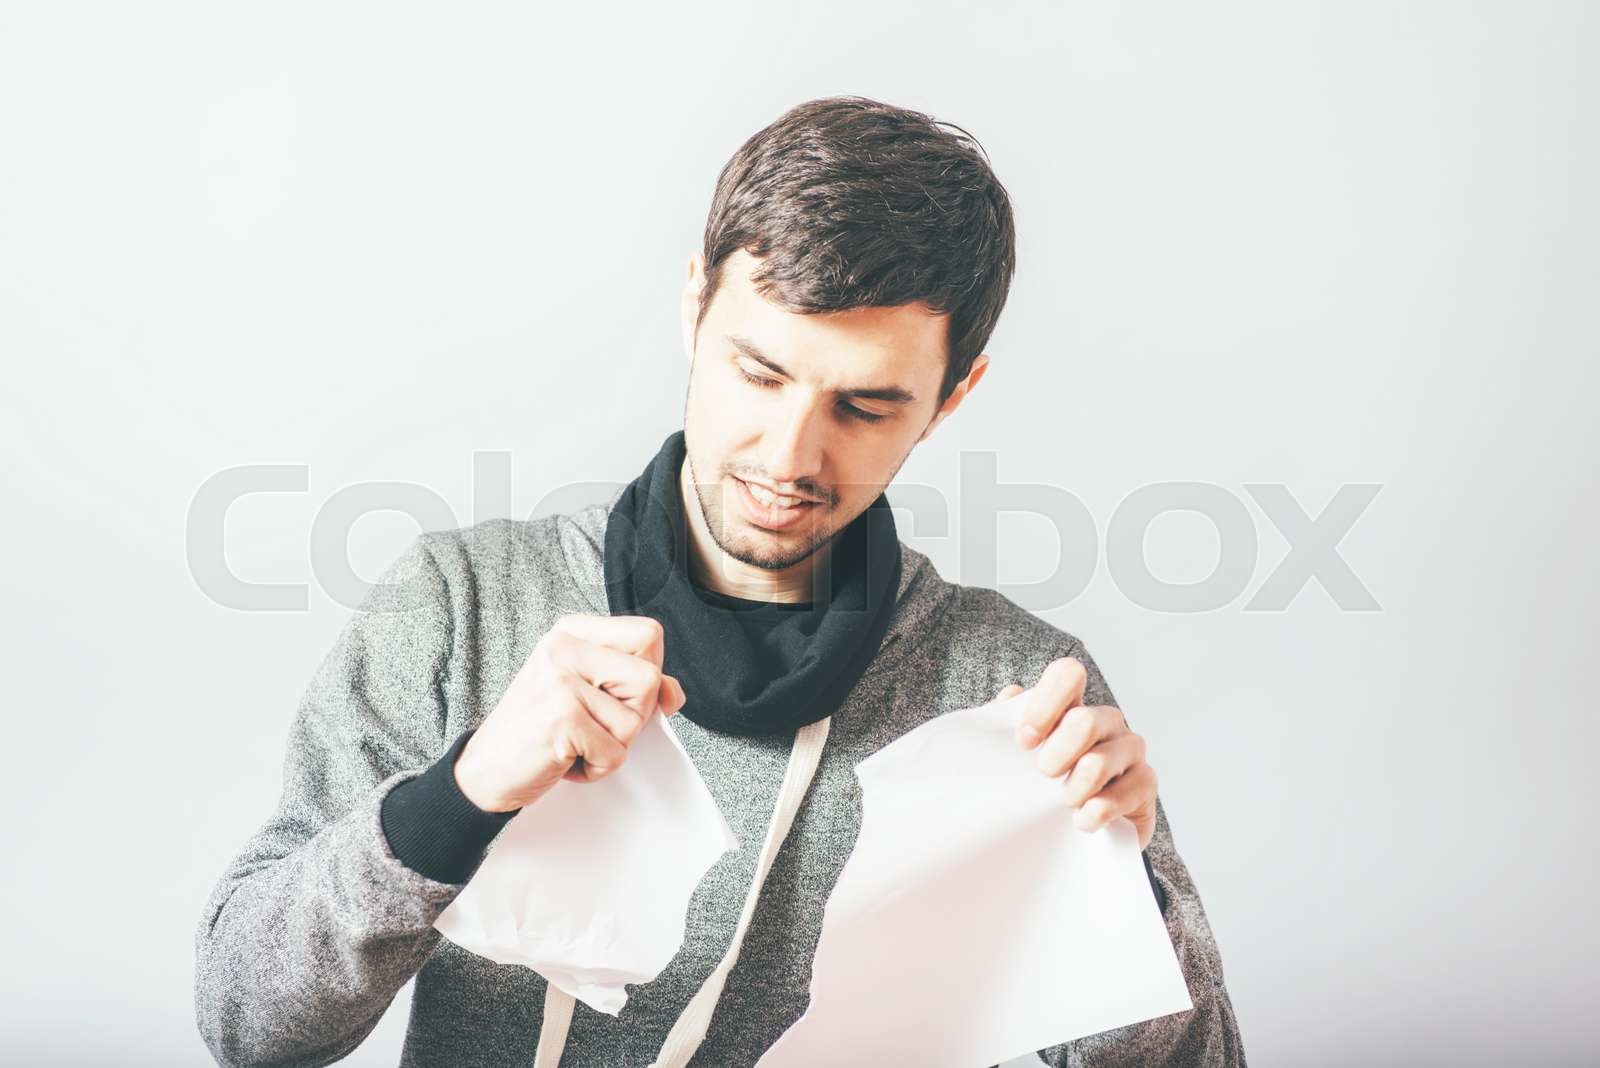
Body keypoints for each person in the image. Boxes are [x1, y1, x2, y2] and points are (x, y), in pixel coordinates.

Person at [194, 95, 1247, 1067]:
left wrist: (1123, 892)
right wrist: (458, 798)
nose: (790, 457)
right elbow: (249, 1020)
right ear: (694, 311)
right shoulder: (463, 602)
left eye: (866, 407)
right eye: (760, 372)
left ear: (952, 395)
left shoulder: (1016, 690)